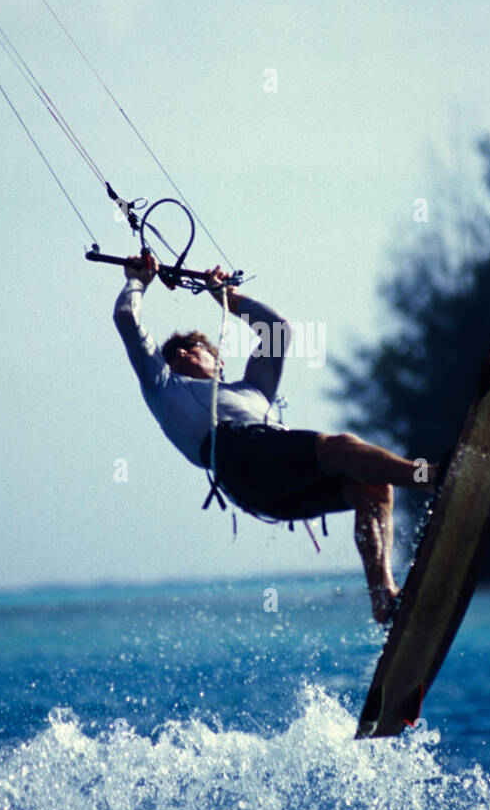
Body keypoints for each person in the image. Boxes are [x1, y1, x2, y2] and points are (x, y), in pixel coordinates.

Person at [113, 251, 440, 624]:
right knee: (339, 447)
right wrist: (137, 281)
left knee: (374, 489)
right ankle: (429, 477)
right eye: (174, 355)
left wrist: (230, 300)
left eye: (193, 349)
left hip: (270, 484)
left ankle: (384, 598)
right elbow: (126, 318)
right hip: (237, 461)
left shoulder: (254, 389)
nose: (182, 353)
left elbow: (276, 330)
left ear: (219, 361)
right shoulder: (163, 387)